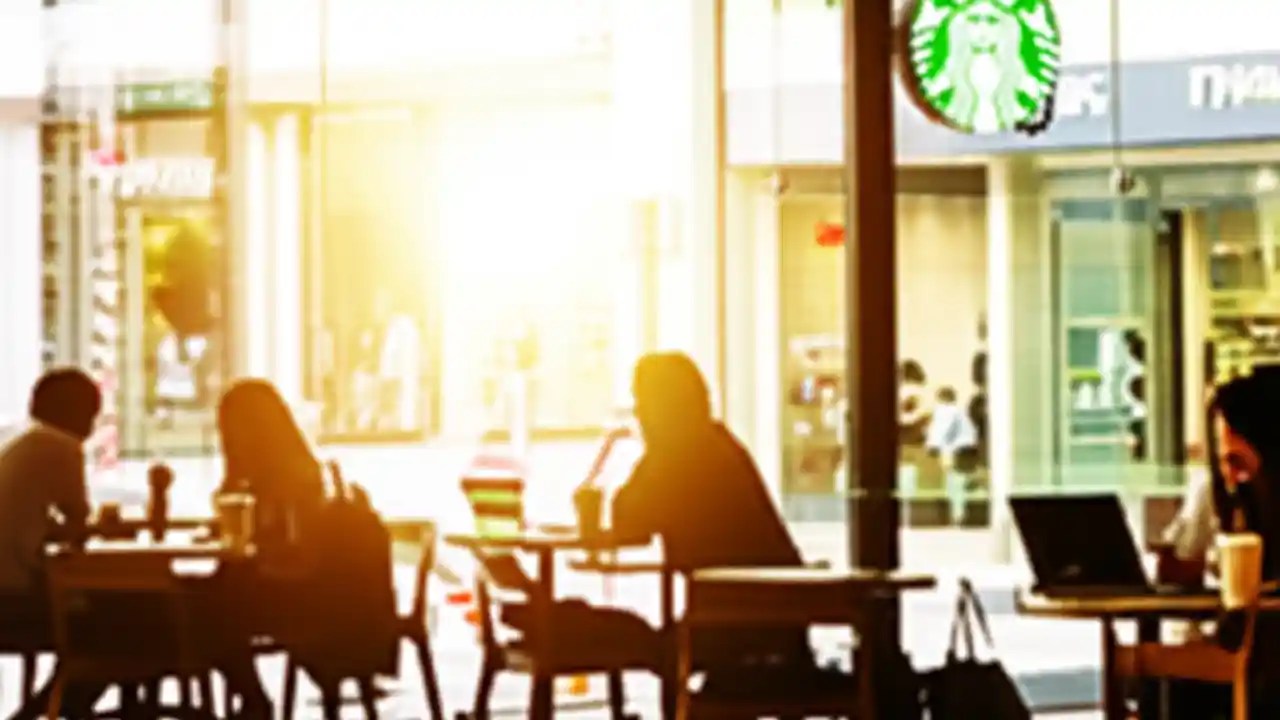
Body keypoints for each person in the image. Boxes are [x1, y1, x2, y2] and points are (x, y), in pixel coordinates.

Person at [500, 353, 814, 696]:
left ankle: (547, 617)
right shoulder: (717, 442)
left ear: (663, 406)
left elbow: (630, 523)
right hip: (774, 613)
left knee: (641, 642)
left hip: (737, 621)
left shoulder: (676, 453)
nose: (639, 413)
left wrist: (614, 488)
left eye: (643, 401)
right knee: (641, 638)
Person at [1167, 371, 1280, 718]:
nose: (1231, 478)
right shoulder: (1214, 495)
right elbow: (1179, 568)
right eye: (1222, 462)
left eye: (1238, 463)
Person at [217, 379, 327, 551]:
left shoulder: (295, 483)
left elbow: (287, 548)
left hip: (273, 574)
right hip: (257, 572)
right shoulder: (248, 479)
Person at [925, 387, 979, 525]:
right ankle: (961, 512)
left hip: (956, 450)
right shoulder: (960, 411)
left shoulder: (945, 411)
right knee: (959, 481)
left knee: (954, 484)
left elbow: (941, 432)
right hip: (968, 448)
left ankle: (957, 516)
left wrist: (932, 446)